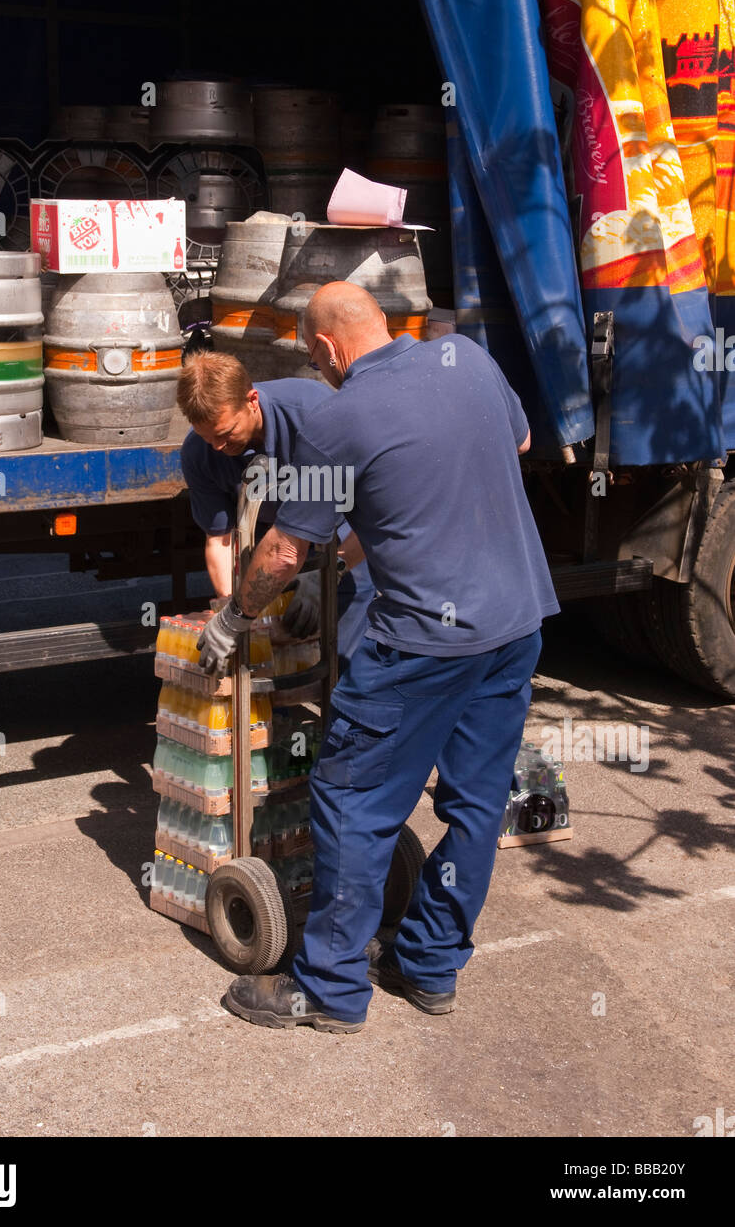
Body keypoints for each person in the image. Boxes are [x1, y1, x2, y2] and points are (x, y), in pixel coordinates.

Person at [197, 282, 559, 1033]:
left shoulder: (339, 418)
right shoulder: (470, 359)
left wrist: (237, 616)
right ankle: (428, 966)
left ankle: (328, 987)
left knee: (352, 800)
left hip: (423, 642)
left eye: (313, 355)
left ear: (327, 349)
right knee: (476, 805)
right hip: (517, 621)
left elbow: (287, 547)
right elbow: (520, 442)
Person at [177, 351, 374, 666]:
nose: (218, 447)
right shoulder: (199, 452)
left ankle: (343, 694)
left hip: (342, 533)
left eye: (226, 435)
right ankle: (280, 705)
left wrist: (331, 573)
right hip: (275, 537)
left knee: (344, 649)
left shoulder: (315, 415)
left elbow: (373, 513)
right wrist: (233, 612)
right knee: (273, 648)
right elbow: (220, 540)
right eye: (208, 437)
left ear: (252, 400)